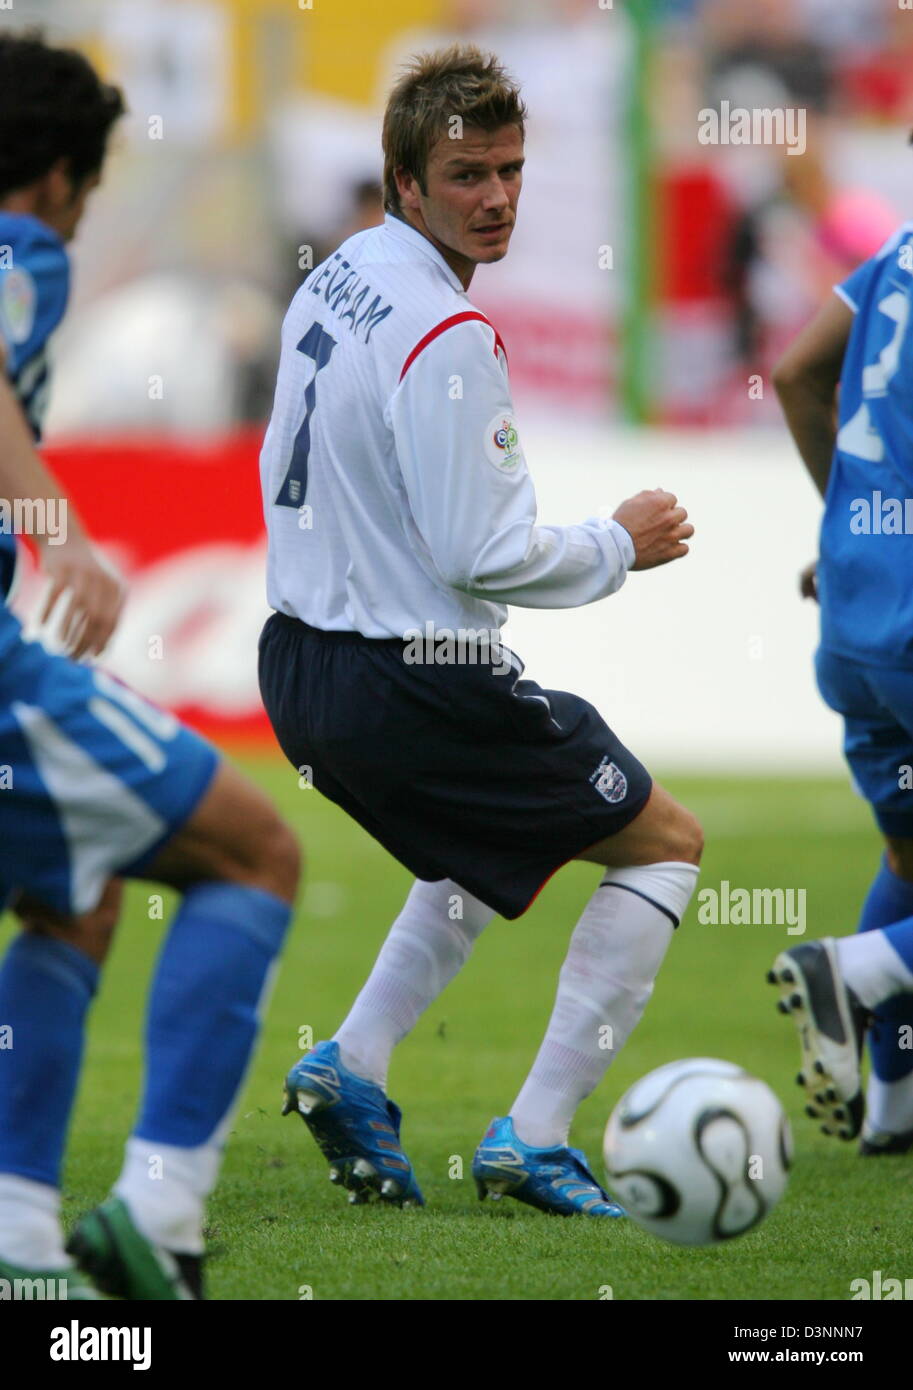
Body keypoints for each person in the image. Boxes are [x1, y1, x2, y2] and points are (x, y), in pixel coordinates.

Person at [258, 44, 701, 1217]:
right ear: (406, 181)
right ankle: (538, 1138)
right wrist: (618, 542)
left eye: (508, 170)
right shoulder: (449, 339)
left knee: (472, 848)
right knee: (660, 837)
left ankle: (349, 1064)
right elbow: (481, 553)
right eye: (465, 175)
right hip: (407, 677)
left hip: (296, 665)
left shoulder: (340, 272)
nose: (495, 198)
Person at [0, 29, 301, 1299]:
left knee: (77, 892)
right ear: (64, 173)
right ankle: (159, 1215)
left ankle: (19, 1232)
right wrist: (56, 531)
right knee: (253, 852)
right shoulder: (26, 246)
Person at [770, 203, 913, 1154]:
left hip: (857, 610)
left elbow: (792, 373)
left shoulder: (898, 249)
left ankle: (895, 1113)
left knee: (909, 856)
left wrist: (850, 528)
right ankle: (858, 970)